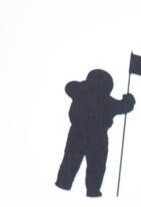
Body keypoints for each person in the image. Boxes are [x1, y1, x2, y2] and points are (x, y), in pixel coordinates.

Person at [55, 69, 135, 197]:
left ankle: (66, 182)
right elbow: (124, 107)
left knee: (74, 161)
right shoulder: (103, 99)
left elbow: (69, 87)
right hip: (95, 136)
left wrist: (84, 85)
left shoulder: (82, 92)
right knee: (94, 165)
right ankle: (91, 189)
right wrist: (129, 101)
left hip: (80, 133)